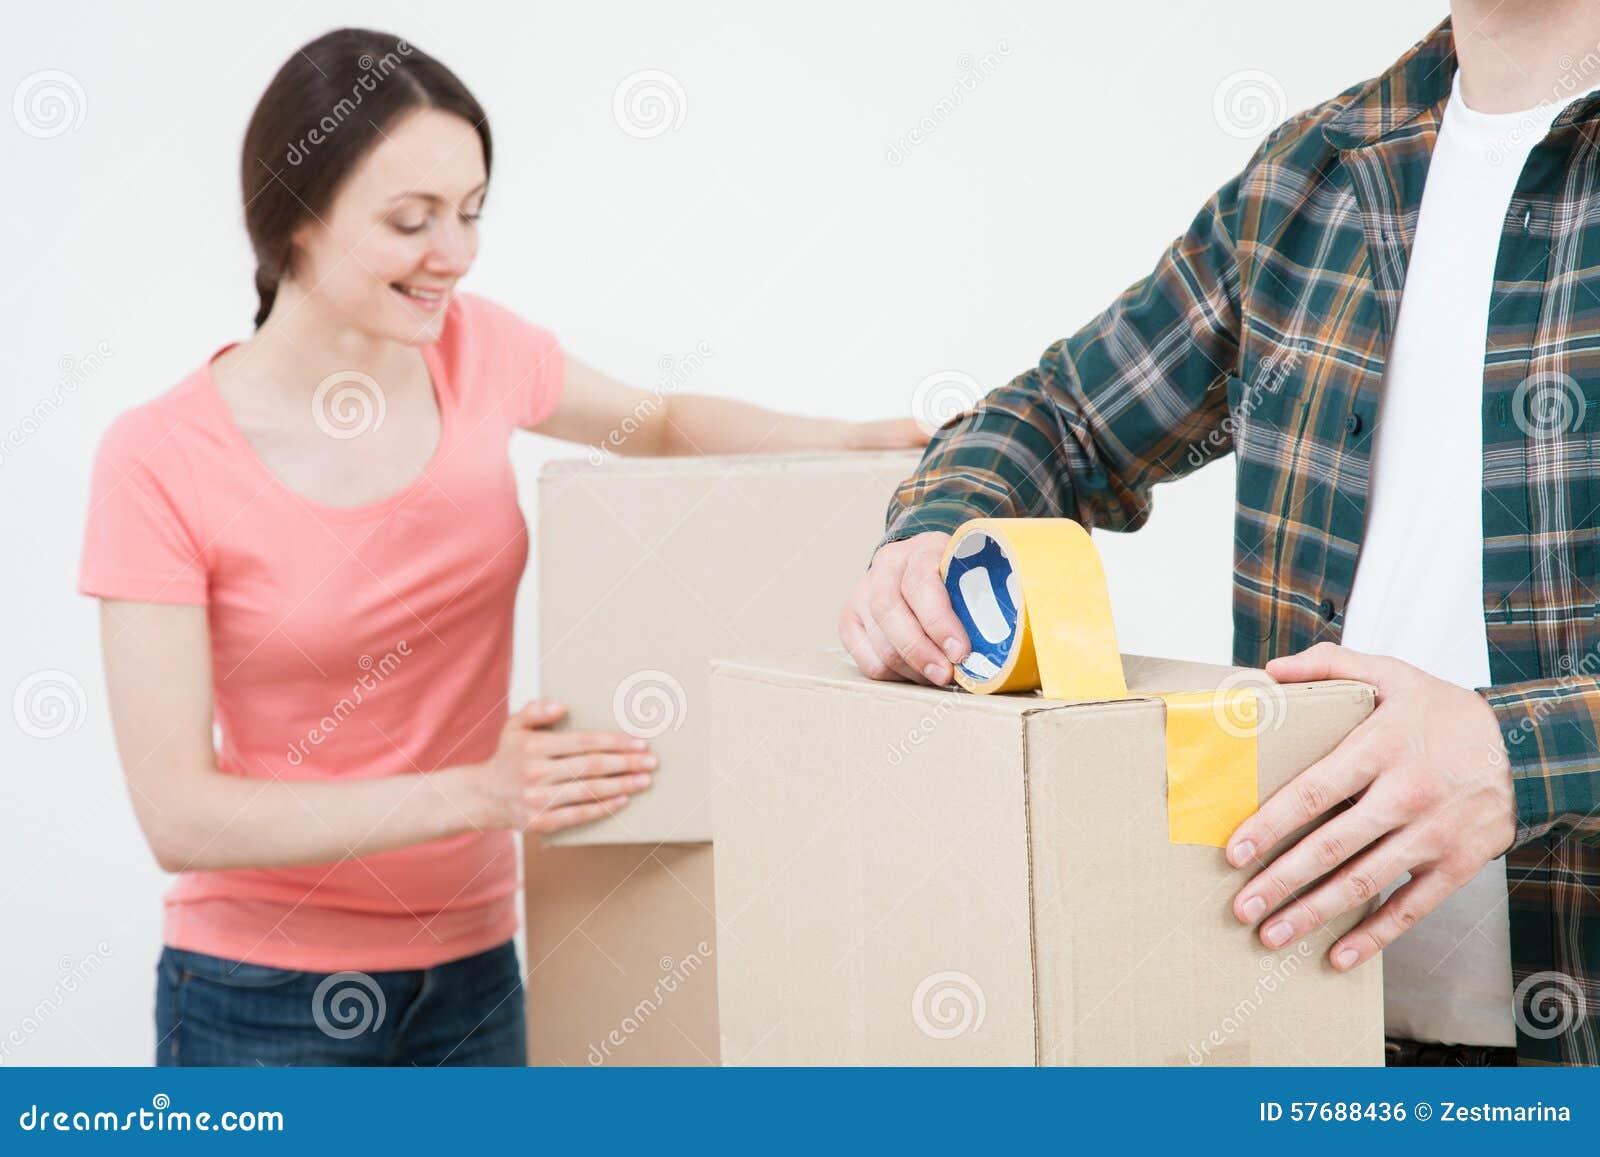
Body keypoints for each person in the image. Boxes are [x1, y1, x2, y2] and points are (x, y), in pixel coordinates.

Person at [80, 27, 924, 1068]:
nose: (457, 256)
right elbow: (180, 816)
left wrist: (845, 442)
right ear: (294, 220)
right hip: (257, 995)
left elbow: (657, 423)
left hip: (475, 970)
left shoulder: (477, 350)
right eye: (410, 221)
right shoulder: (159, 457)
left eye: (471, 213)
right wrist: (485, 793)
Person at [842, 1, 1600, 1067]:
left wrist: (1518, 749)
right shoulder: (1316, 176)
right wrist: (935, 536)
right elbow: (1060, 418)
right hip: (1321, 1028)